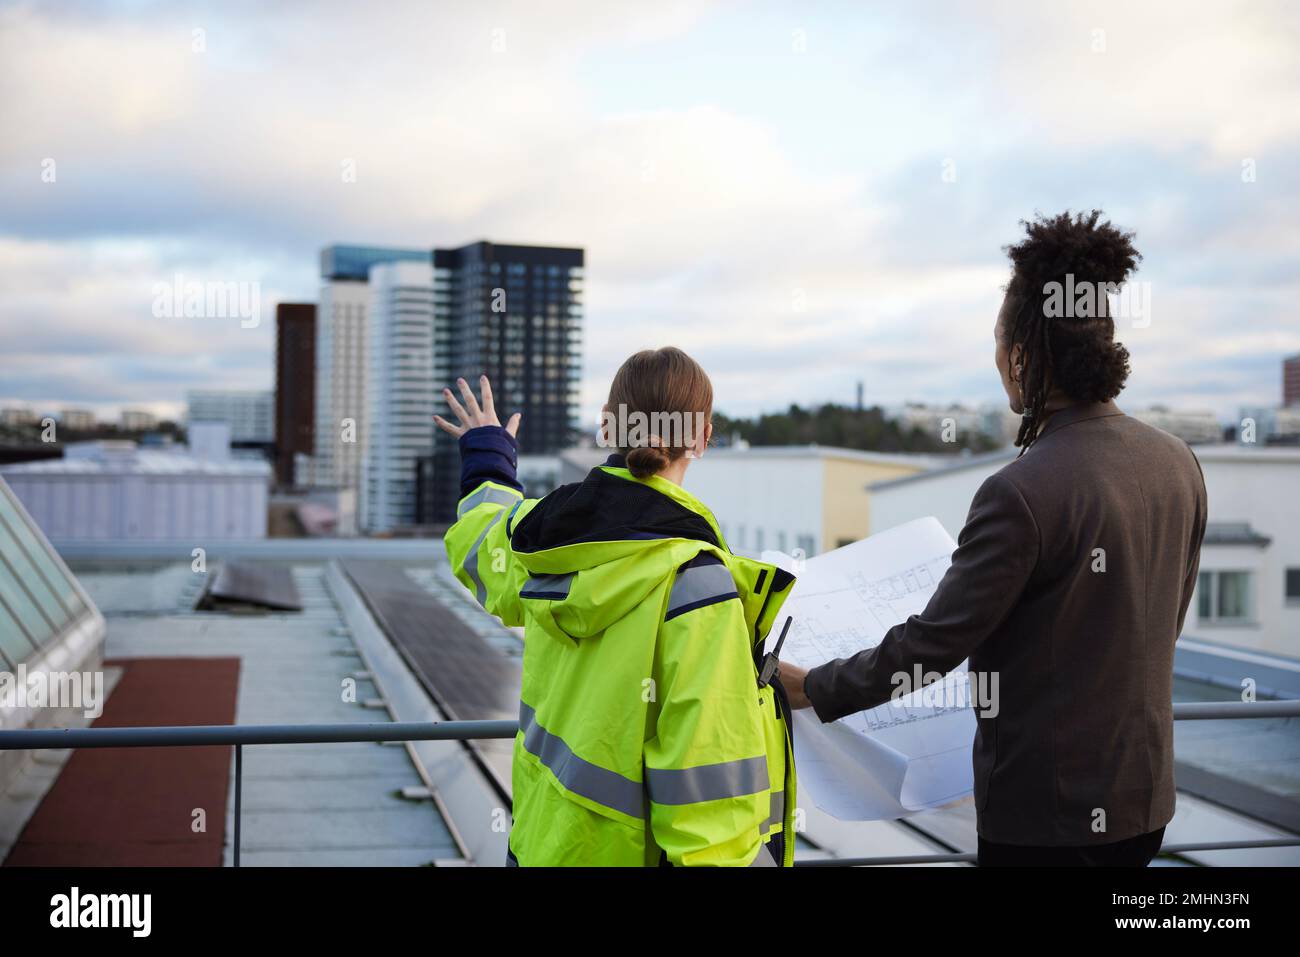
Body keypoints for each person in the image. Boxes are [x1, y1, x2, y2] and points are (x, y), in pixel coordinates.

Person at [780, 210, 1208, 866]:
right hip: (1145, 804)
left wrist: (813, 685)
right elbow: (1156, 627)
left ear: (1020, 356)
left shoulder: (1020, 491)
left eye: (999, 344)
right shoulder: (1178, 461)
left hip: (1043, 820)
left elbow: (929, 646)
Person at [437, 347, 798, 866]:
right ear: (701, 438)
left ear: (607, 426)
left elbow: (480, 546)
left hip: (540, 848)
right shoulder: (698, 585)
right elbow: (709, 801)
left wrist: (489, 454)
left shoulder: (541, 538)